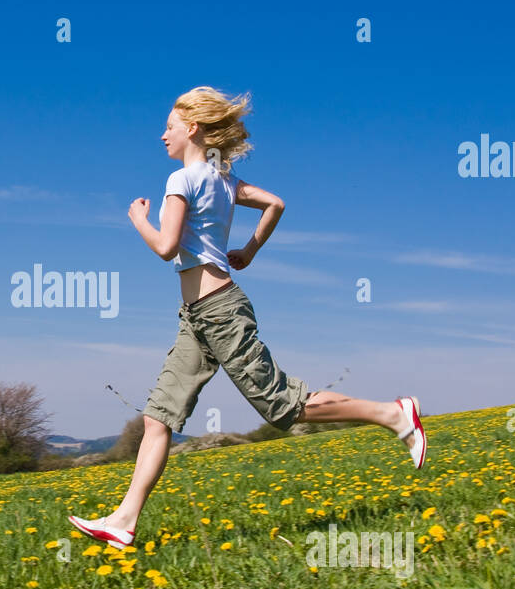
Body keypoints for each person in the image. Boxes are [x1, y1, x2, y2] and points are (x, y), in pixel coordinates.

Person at [69, 86, 426, 550]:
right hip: (197, 317)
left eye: (170, 127)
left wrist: (138, 217)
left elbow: (165, 248)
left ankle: (394, 414)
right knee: (158, 417)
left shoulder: (180, 181)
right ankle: (124, 520)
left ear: (191, 129)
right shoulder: (222, 180)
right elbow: (275, 202)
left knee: (283, 406)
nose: (163, 136)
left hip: (220, 314)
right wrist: (249, 252)